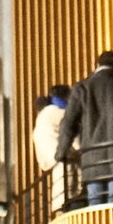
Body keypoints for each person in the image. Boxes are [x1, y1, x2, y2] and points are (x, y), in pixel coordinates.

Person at [54, 52, 113, 205]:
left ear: (97, 65)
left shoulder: (82, 89)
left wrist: (61, 152)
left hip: (93, 161)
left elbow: (68, 125)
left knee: (95, 208)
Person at [31, 84, 76, 213]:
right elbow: (75, 131)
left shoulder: (41, 119)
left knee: (62, 203)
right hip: (69, 163)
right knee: (72, 200)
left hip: (56, 167)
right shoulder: (58, 114)